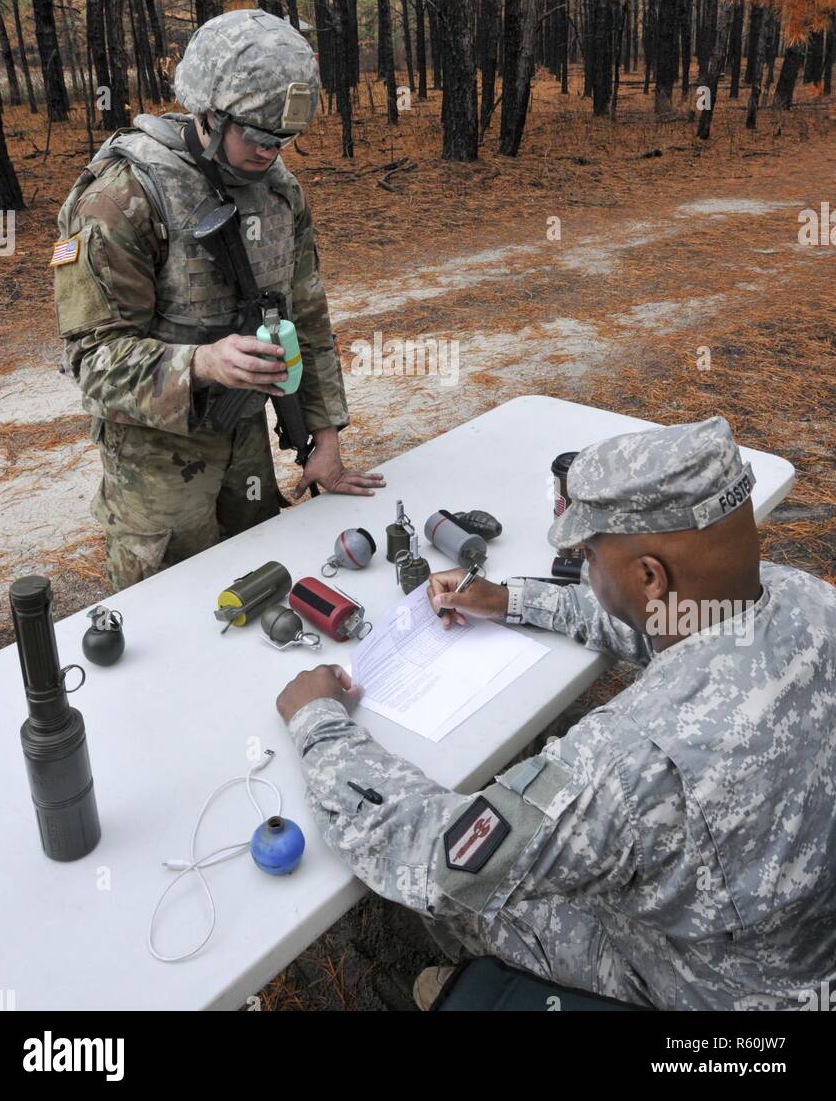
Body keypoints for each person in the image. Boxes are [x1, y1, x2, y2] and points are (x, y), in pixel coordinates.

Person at [276, 415, 836, 1011]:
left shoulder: (629, 761)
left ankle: (481, 982)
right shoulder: (807, 599)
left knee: (484, 904)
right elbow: (671, 619)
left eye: (590, 554)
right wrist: (512, 599)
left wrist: (318, 723)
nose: (585, 567)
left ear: (649, 574)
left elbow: (437, 858)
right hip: (804, 948)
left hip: (713, 993)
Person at [53, 8, 383, 590]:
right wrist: (203, 363)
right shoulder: (122, 199)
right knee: (174, 618)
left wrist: (325, 435)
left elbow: (305, 315)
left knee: (262, 591)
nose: (271, 155)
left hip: (247, 446)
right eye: (258, 137)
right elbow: (92, 361)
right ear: (208, 113)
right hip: (159, 472)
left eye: (285, 140)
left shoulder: (278, 191)